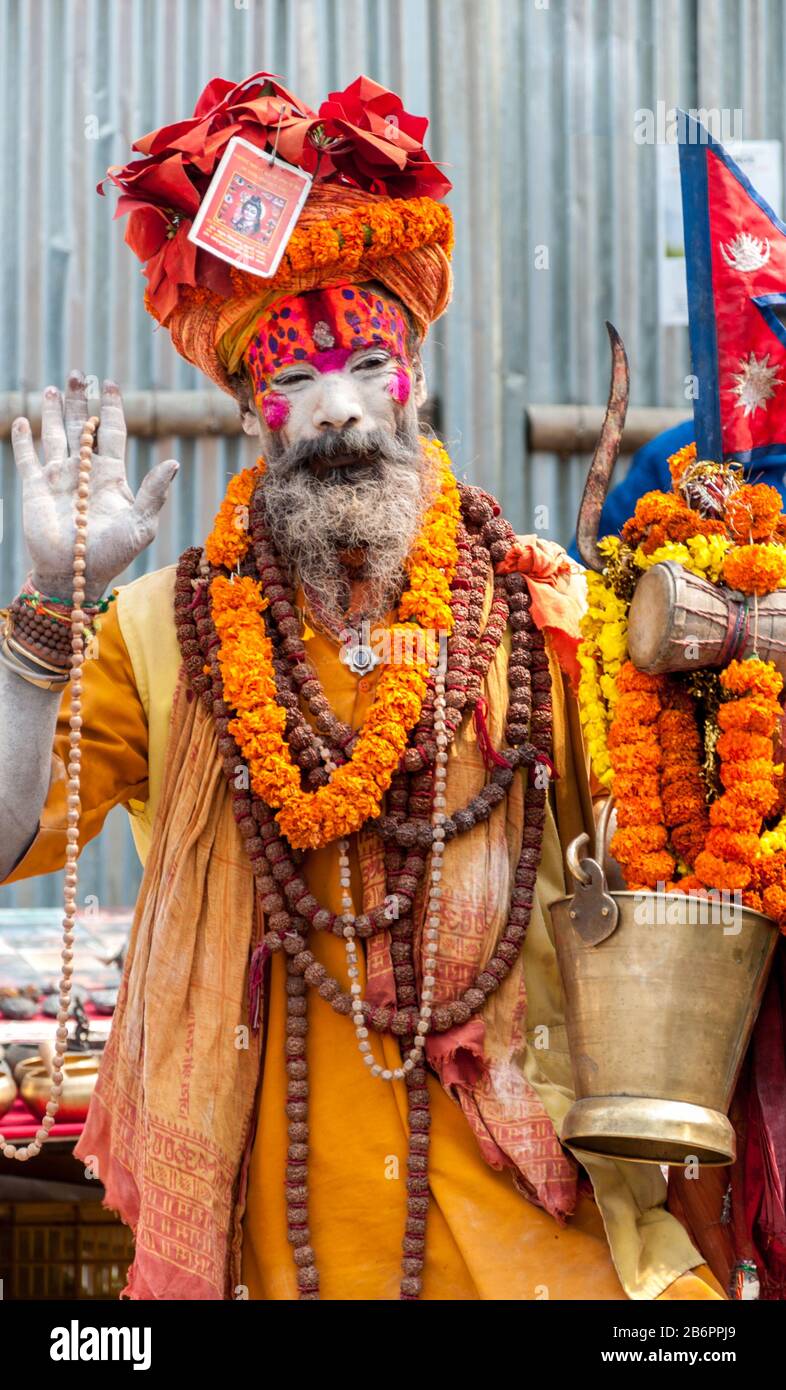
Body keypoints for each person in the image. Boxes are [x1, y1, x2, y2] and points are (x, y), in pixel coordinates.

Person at [0, 69, 723, 1302]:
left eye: (367, 362)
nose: (334, 410)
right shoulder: (162, 636)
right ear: (245, 411)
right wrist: (44, 615)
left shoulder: (541, 607)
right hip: (281, 1268)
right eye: (289, 376)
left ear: (419, 377)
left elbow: (686, 877)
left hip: (561, 1260)